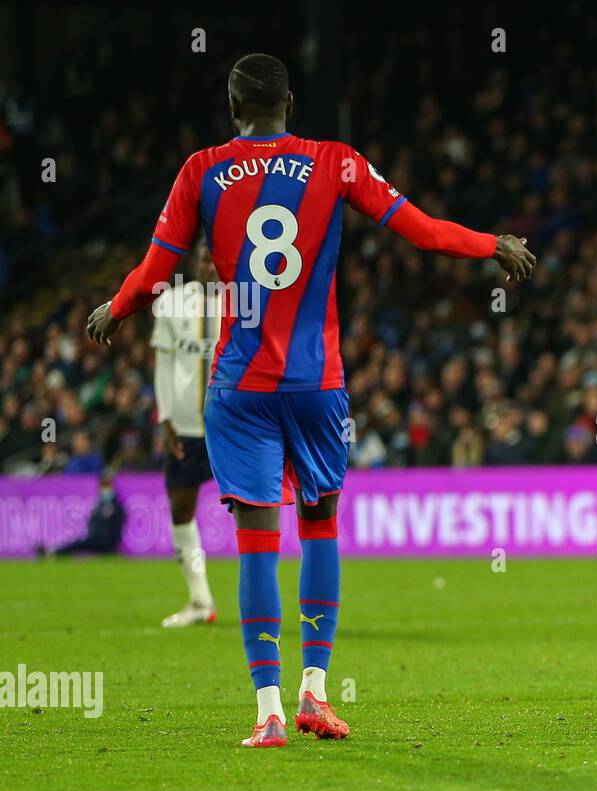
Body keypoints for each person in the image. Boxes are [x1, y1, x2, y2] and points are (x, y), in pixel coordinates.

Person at [86, 53, 537, 748]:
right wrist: (490, 245)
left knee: (257, 545)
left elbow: (156, 271)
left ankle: (267, 712)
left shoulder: (200, 169)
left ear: (235, 108)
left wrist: (114, 310)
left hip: (238, 387)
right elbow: (417, 227)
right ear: (290, 103)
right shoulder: (338, 163)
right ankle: (315, 695)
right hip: (316, 384)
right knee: (321, 525)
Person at [151, 242, 220, 628]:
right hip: (187, 429)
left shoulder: (244, 304)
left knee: (254, 508)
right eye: (202, 259)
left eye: (215, 257)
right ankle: (199, 600)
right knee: (180, 507)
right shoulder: (171, 303)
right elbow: (163, 364)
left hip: (233, 426)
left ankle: (265, 599)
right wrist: (165, 417)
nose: (208, 265)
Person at [46, 472, 125, 556]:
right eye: (103, 486)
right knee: (78, 543)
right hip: (96, 538)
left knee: (78, 544)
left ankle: (54, 552)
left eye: (107, 486)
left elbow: (117, 527)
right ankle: (55, 552)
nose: (104, 490)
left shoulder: (116, 507)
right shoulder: (100, 505)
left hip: (105, 541)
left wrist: (110, 540)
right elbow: (92, 523)